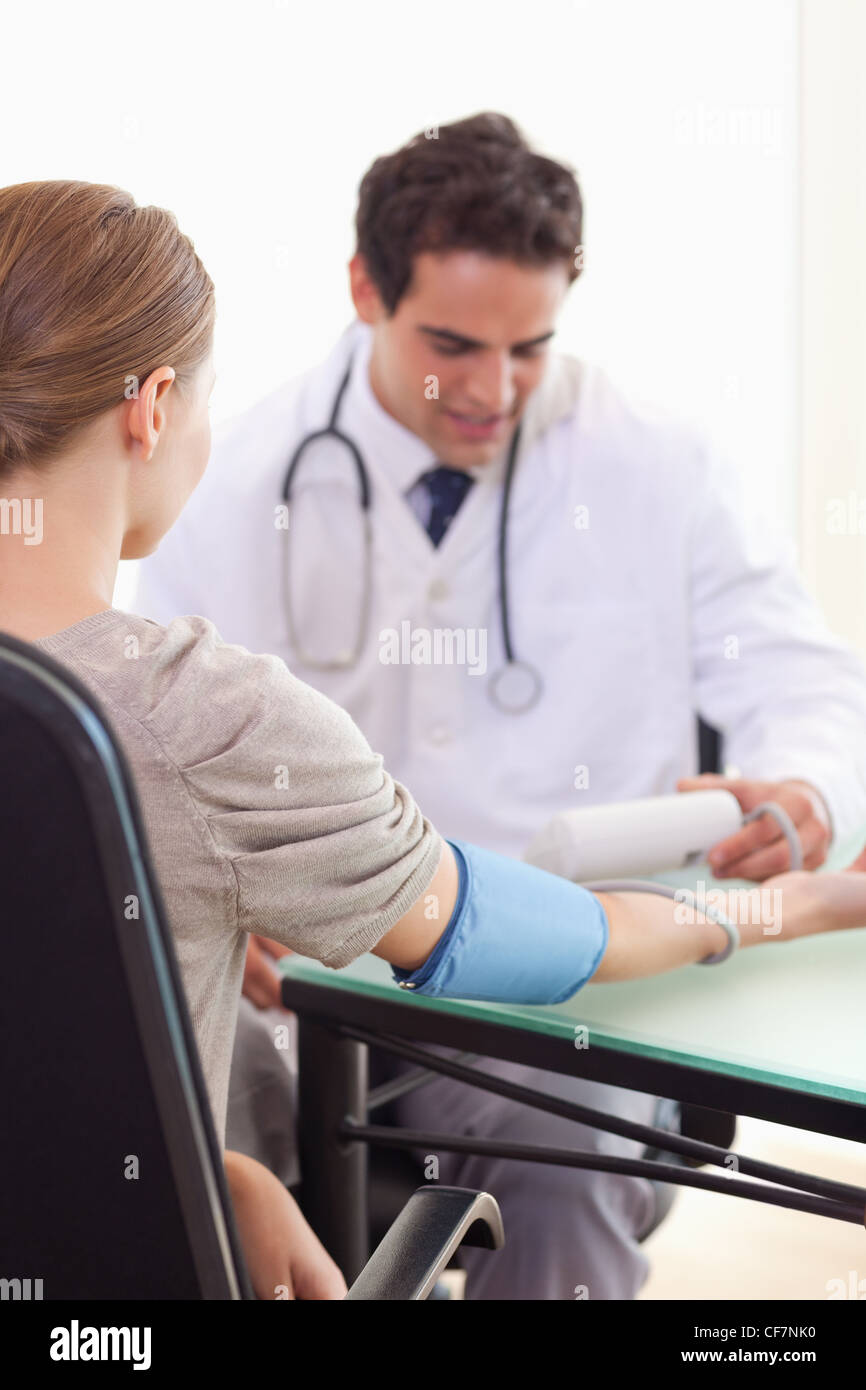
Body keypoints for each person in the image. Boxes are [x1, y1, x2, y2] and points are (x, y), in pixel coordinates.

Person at [2, 179, 865, 1303]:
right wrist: (784, 907)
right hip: (420, 955)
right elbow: (541, 936)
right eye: (450, 343)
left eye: (527, 347)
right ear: (152, 407)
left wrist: (209, 1175)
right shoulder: (202, 708)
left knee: (565, 1123)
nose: (488, 387)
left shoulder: (660, 458)